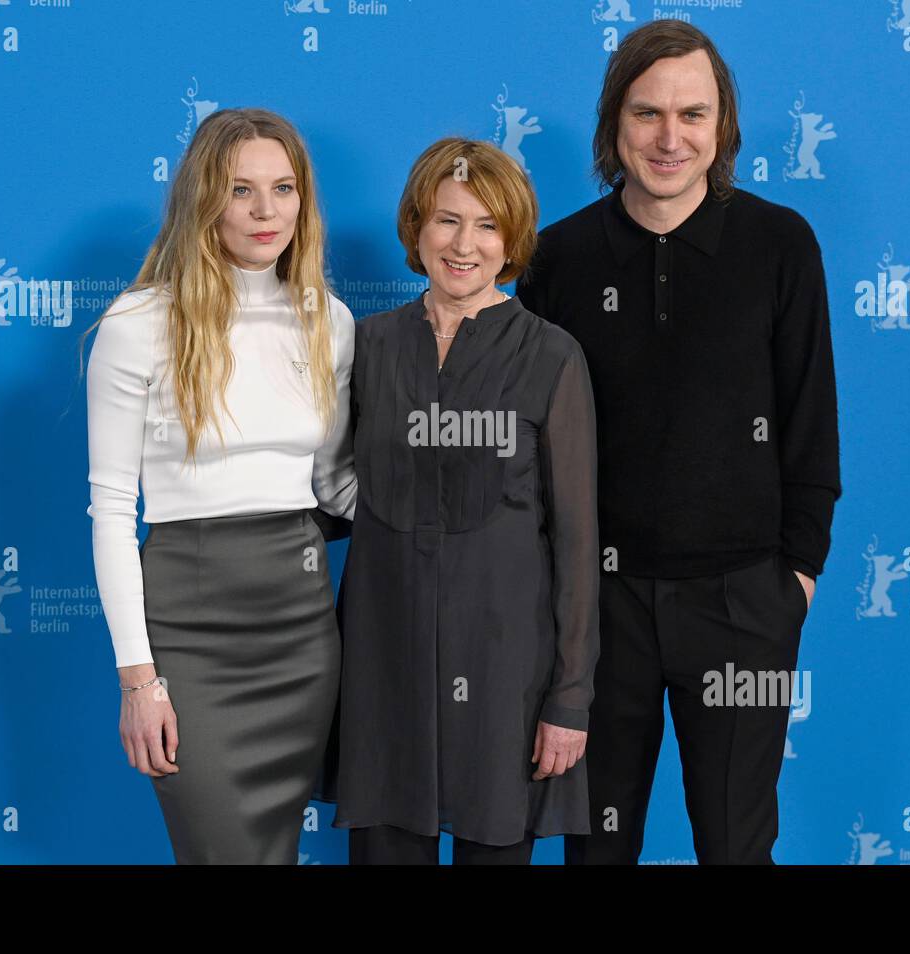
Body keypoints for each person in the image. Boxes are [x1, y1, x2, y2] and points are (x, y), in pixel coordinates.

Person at [516, 21, 841, 864]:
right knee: (596, 849)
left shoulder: (782, 246)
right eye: (647, 114)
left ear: (722, 126)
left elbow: (811, 425)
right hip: (597, 611)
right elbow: (527, 447)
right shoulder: (558, 258)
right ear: (613, 125)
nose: (670, 138)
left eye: (692, 114)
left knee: (737, 847)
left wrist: (793, 582)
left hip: (742, 605)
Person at [81, 107, 356, 863]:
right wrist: (139, 681)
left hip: (301, 634)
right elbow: (110, 512)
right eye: (241, 190)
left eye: (284, 188)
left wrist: (459, 495)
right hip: (188, 637)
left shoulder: (329, 321)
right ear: (205, 198)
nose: (267, 211)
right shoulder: (138, 323)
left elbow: (334, 486)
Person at [329, 138, 600, 865]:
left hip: (508, 672)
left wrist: (568, 701)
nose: (465, 244)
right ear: (417, 227)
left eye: (487, 225)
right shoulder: (368, 347)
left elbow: (577, 544)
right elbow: (325, 495)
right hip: (384, 663)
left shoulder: (551, 356)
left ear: (511, 241)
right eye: (447, 220)